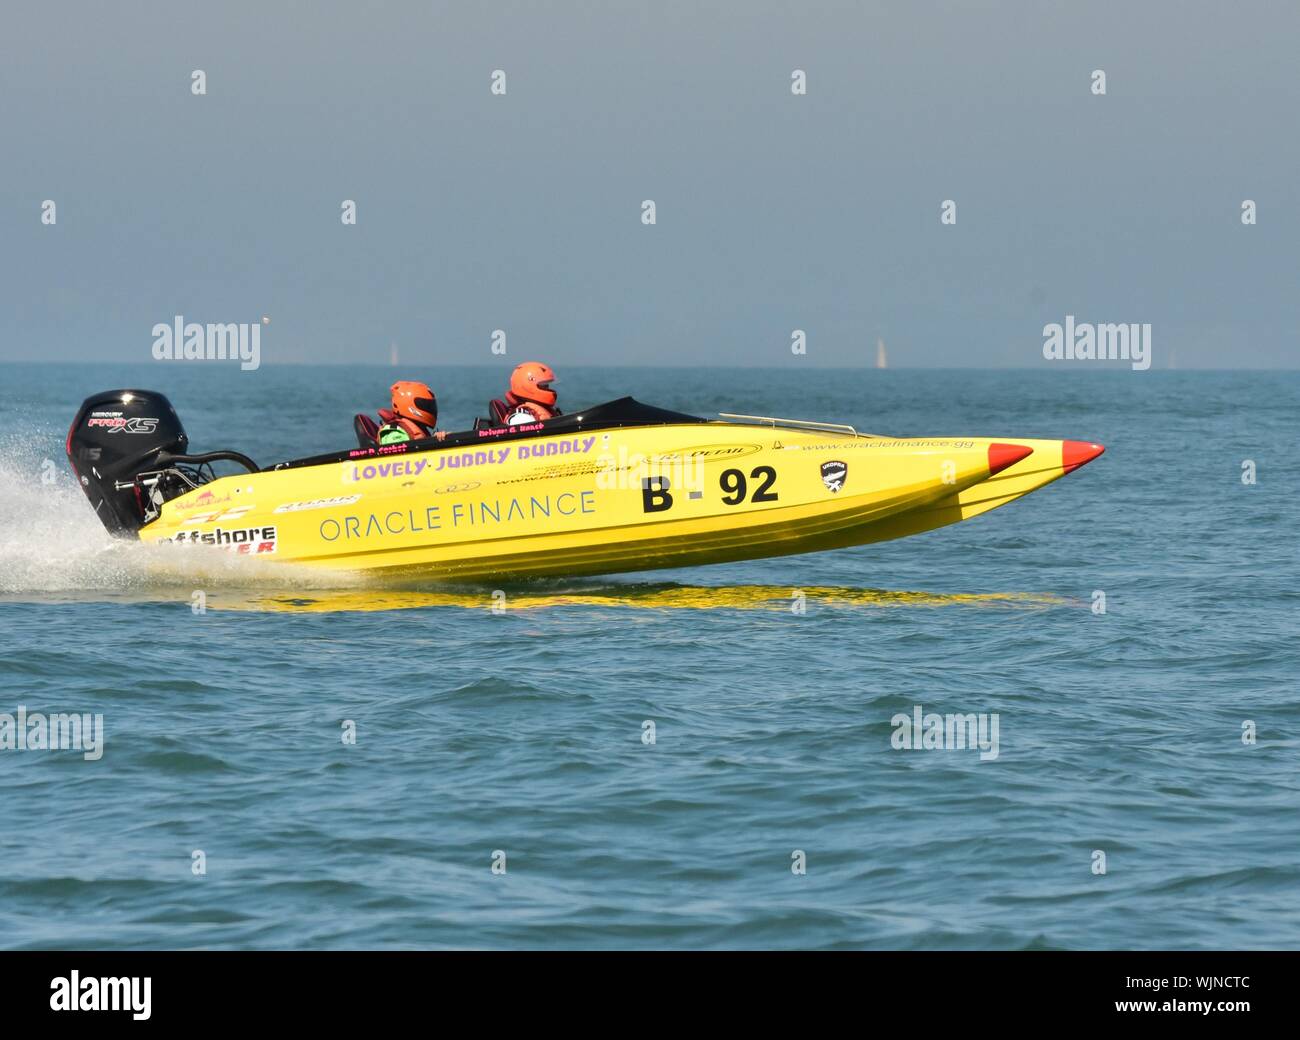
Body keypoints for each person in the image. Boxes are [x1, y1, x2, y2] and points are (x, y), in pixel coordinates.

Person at [376, 381, 447, 444]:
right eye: (425, 404)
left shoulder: (418, 428)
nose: (429, 408)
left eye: (430, 405)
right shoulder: (394, 434)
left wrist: (439, 440)